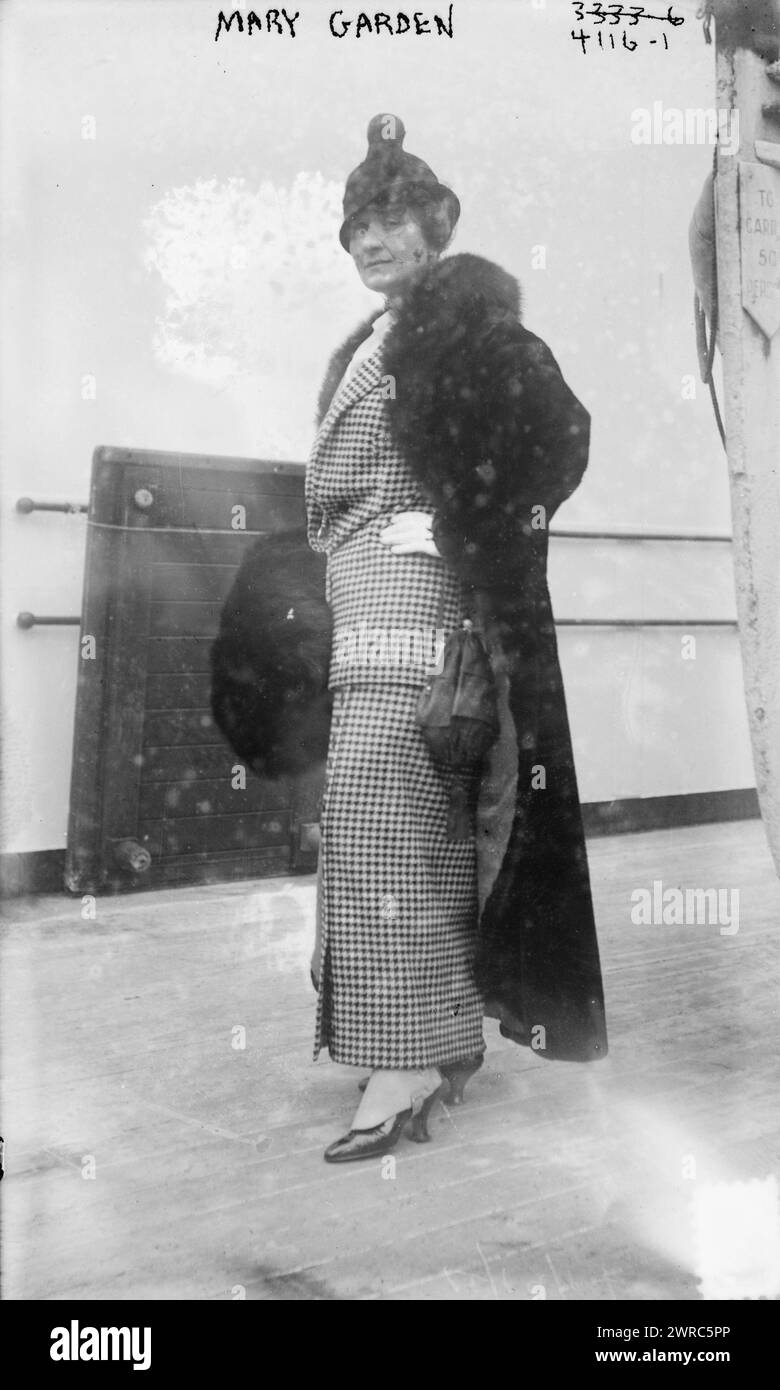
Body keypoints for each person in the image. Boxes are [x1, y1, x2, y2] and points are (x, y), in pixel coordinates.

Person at [306, 113, 607, 1165]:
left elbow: (559, 435)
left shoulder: (469, 320)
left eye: (390, 219)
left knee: (388, 816)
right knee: (375, 822)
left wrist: (463, 518)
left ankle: (411, 1057)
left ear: (434, 226)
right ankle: (423, 1042)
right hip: (361, 612)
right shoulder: (371, 339)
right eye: (356, 225)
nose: (371, 240)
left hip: (426, 613)